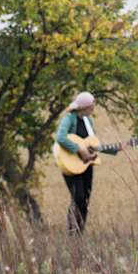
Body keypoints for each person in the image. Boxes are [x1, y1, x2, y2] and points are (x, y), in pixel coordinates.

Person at [54, 90, 102, 232]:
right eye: (92, 105)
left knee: (85, 199)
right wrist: (79, 150)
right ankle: (72, 231)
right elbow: (61, 138)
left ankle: (80, 232)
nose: (93, 107)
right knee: (78, 197)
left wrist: (95, 151)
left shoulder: (89, 121)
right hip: (70, 164)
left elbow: (90, 143)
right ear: (84, 107)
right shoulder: (69, 118)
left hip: (86, 165)